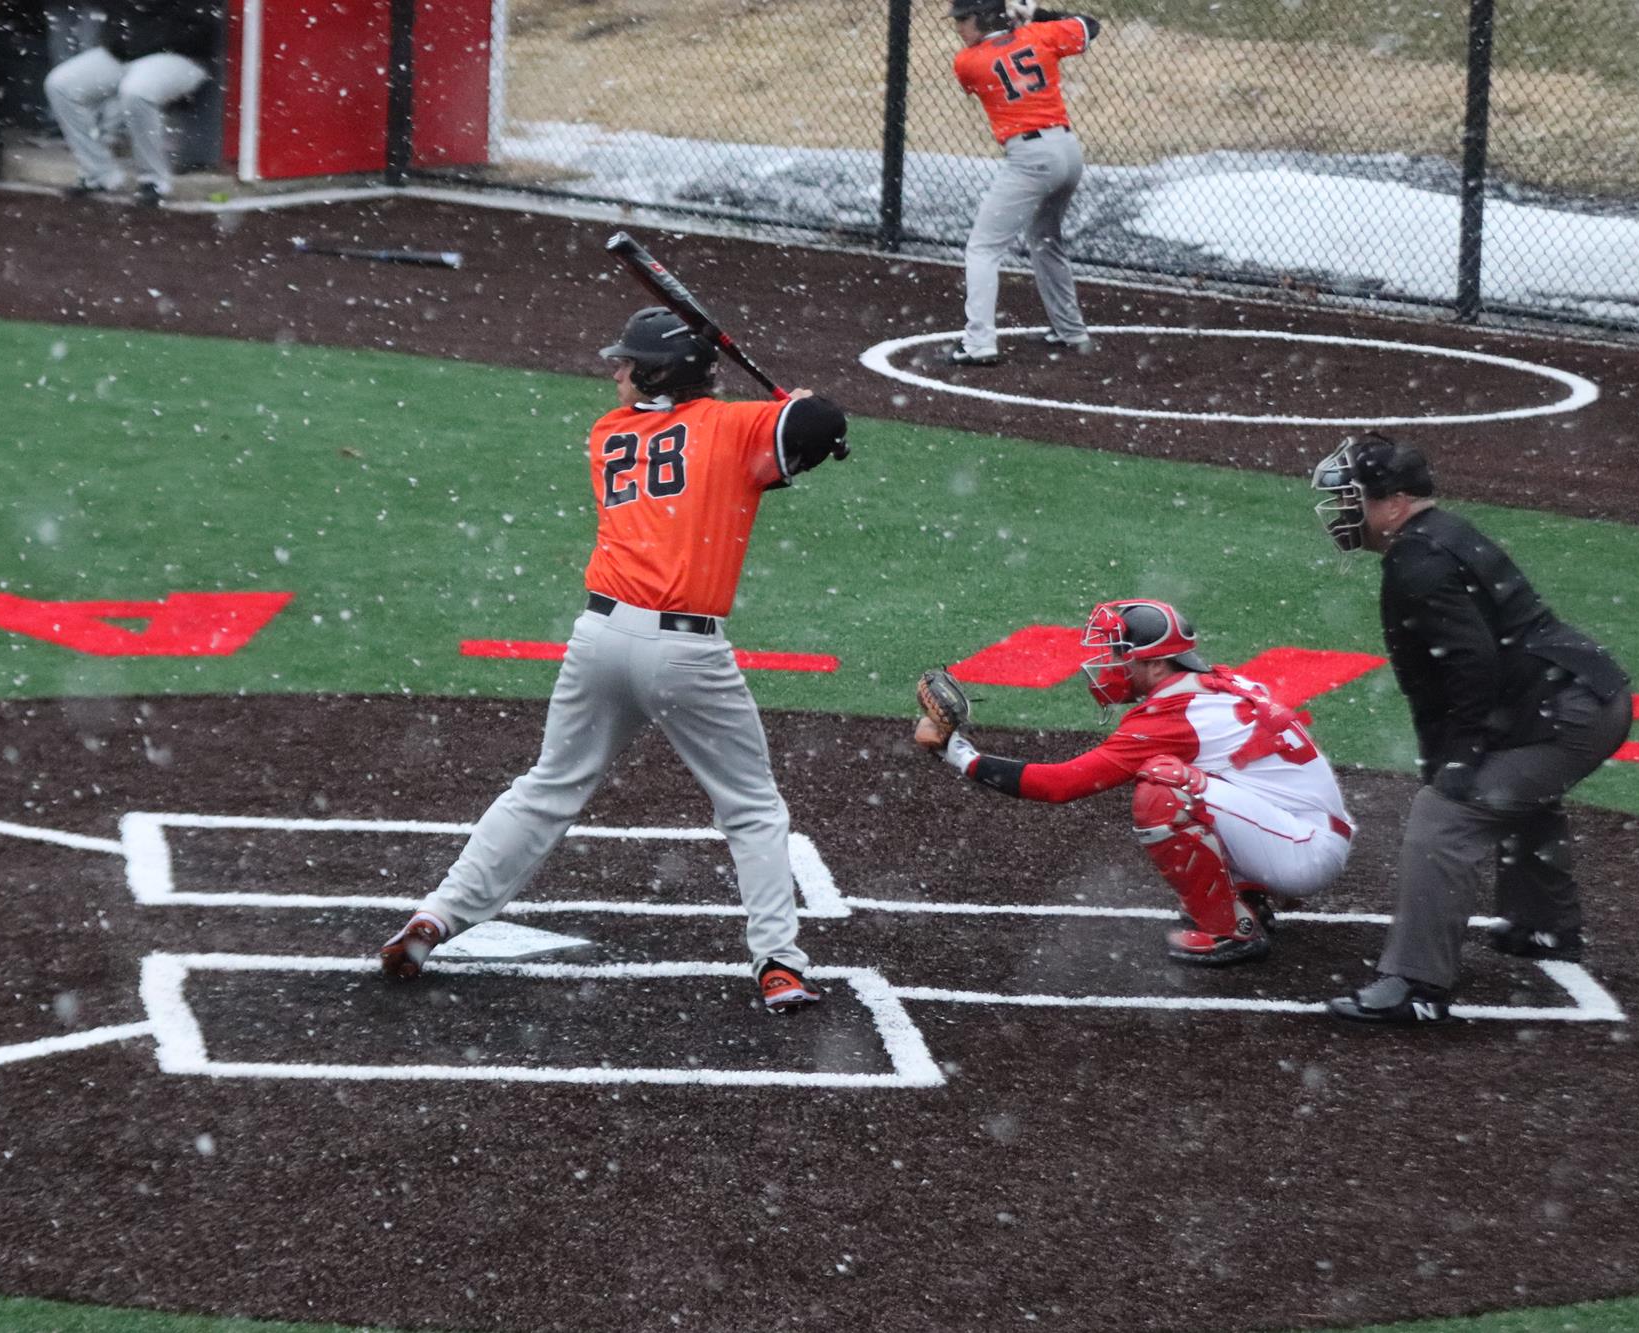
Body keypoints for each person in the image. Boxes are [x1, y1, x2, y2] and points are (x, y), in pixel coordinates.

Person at [380, 306, 853, 1013]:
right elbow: (816, 429)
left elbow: (779, 447)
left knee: (548, 787)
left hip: (599, 638)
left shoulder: (609, 436)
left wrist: (803, 422)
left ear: (658, 374)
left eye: (627, 362)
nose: (616, 371)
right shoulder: (733, 428)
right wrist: (806, 412)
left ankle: (437, 916)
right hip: (688, 652)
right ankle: (779, 963)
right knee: (751, 807)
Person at [1308, 434, 1633, 1025]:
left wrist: (1458, 757)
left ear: (1396, 501)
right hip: (1575, 696)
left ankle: (1415, 985)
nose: (1343, 510)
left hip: (1565, 711)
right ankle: (1544, 928)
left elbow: (1469, 664)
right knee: (1511, 795)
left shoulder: (1419, 560)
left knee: (1447, 817)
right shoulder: (1442, 535)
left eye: (1354, 497)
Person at [915, 599, 1353, 965]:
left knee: (1165, 791)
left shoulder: (1178, 715)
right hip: (1297, 830)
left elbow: (1061, 784)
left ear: (1158, 664)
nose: (1108, 665)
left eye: (1121, 654)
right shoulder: (1214, 683)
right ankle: (1246, 897)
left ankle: (1232, 931)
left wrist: (958, 752)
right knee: (1191, 782)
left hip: (1303, 850)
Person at [946, 0, 1099, 367]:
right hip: (1067, 152)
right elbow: (1089, 25)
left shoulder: (967, 63)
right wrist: (1036, 15)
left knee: (983, 249)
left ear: (981, 18)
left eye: (963, 20)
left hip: (1030, 159)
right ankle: (1069, 329)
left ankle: (979, 342)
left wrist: (1018, 24)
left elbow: (995, 56)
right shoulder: (1040, 35)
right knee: (1045, 239)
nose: (958, 29)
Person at [43, 0, 219, 205]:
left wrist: (140, 43)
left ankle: (154, 181)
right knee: (60, 85)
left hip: (180, 57)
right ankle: (98, 173)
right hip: (124, 54)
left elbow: (196, 31)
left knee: (136, 91)